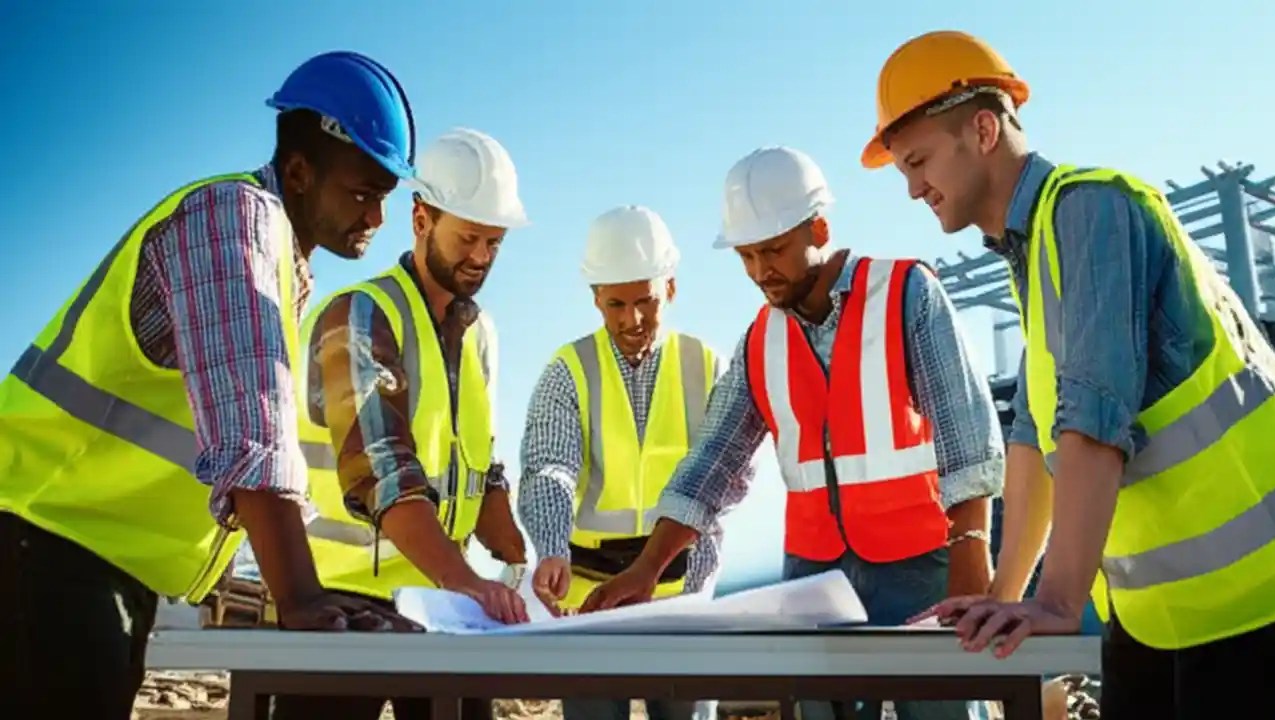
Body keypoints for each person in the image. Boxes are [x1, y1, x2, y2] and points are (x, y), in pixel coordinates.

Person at [860, 29, 1275, 719]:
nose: (911, 189)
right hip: (1160, 619)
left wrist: (1055, 601)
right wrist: (1007, 594)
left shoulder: (1091, 211)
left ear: (984, 129)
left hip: (1256, 611)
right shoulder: (1037, 252)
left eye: (918, 161)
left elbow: (1092, 416)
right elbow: (1032, 441)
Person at [0, 50, 422, 719]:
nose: (376, 219)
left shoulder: (284, 263)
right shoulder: (235, 219)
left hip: (95, 566)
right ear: (300, 172)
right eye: (363, 194)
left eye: (385, 199)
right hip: (41, 547)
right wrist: (301, 596)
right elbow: (249, 425)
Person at [581, 146, 1006, 720]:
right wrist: (647, 569)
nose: (760, 272)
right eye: (747, 256)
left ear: (820, 227)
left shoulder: (906, 294)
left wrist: (971, 554)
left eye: (774, 250)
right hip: (814, 582)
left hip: (921, 568)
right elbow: (711, 466)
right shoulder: (760, 341)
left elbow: (966, 432)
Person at [276, 127, 532, 720]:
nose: (481, 257)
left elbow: (478, 463)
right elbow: (383, 472)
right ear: (421, 218)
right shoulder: (362, 315)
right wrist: (466, 581)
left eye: (494, 242)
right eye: (469, 237)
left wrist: (522, 554)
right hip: (345, 605)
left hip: (443, 607)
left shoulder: (481, 333)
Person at [518, 205, 732, 720]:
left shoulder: (707, 366)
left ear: (671, 290)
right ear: (594, 296)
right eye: (615, 303)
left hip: (680, 593)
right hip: (591, 600)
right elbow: (550, 465)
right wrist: (549, 547)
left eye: (646, 301)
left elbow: (718, 480)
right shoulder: (568, 370)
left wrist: (698, 583)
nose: (631, 319)